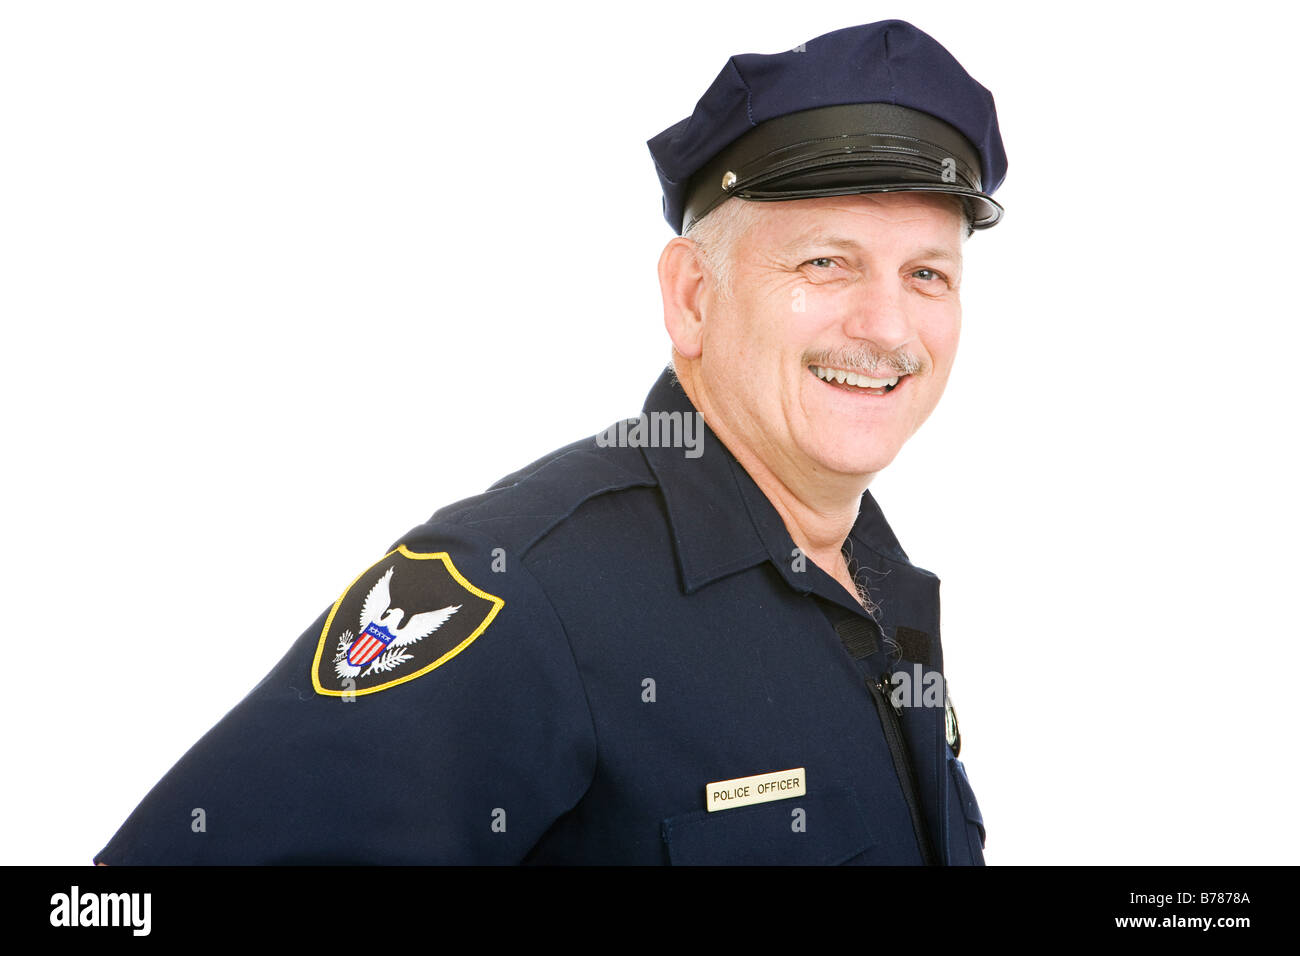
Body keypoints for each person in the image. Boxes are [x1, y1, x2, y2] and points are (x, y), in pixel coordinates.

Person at [97, 18, 1005, 865]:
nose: (887, 325)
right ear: (692, 297)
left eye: (927, 274)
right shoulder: (519, 581)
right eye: (825, 263)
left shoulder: (874, 575)